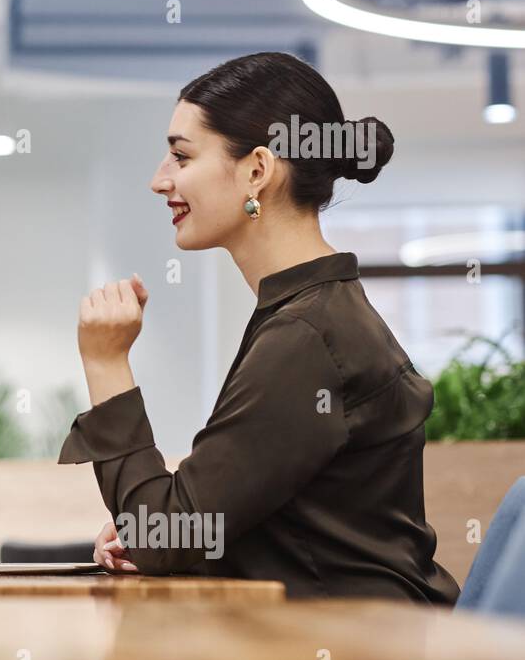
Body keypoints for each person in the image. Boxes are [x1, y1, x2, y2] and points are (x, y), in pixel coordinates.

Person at [61, 52, 459, 603]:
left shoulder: (307, 334)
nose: (160, 180)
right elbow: (250, 527)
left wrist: (106, 362)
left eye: (180, 155)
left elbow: (166, 536)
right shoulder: (309, 313)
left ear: (257, 171)